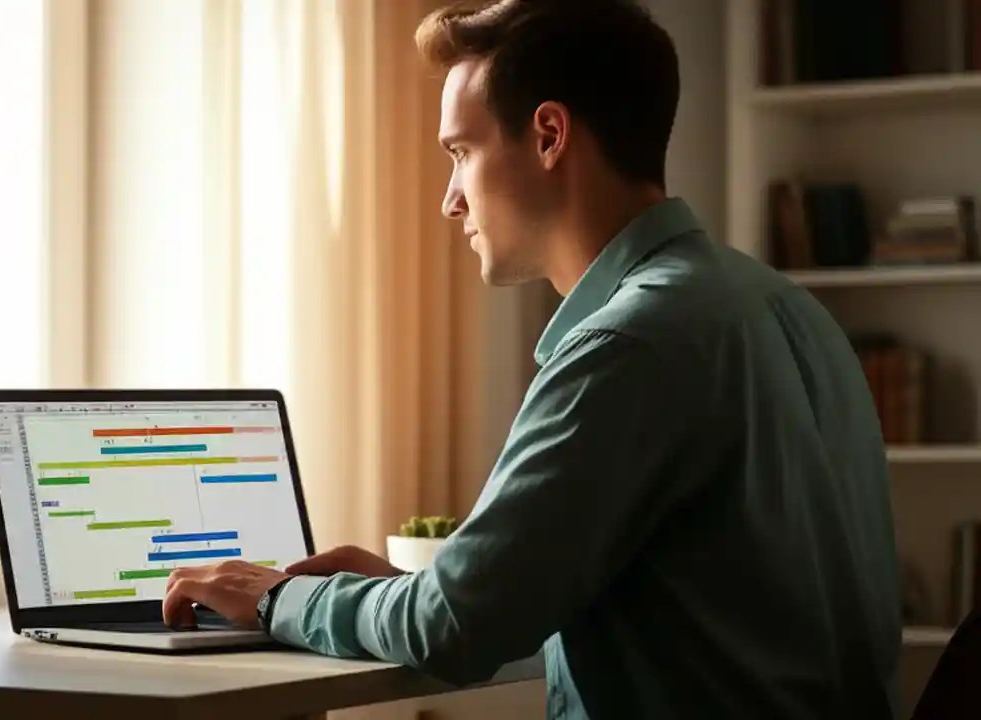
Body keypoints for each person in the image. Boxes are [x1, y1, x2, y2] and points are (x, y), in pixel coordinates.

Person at [161, 0, 901, 717]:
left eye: (460, 151)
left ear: (549, 135)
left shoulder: (626, 344)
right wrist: (428, 590)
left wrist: (275, 596)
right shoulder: (794, 311)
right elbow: (684, 631)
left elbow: (451, 628)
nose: (451, 199)